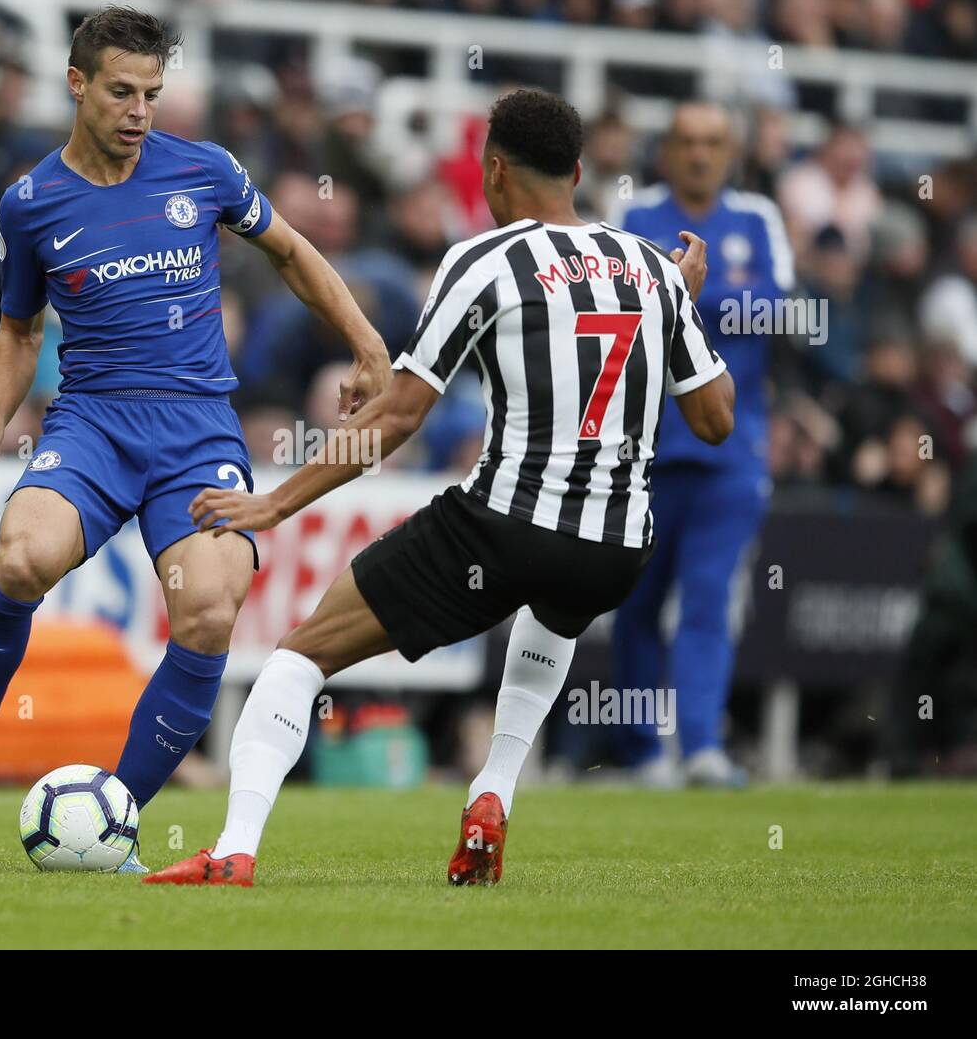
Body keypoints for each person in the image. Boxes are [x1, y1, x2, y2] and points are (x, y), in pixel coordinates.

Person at [143, 88, 734, 888]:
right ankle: (492, 791)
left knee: (300, 655)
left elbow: (400, 417)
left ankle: (235, 848)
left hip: (505, 523)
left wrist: (278, 500)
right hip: (616, 546)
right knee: (553, 618)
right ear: (581, 171)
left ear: (494, 172)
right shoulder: (654, 269)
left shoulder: (479, 260)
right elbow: (715, 420)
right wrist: (675, 311)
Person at [0, 7, 391, 874]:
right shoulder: (31, 203)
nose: (140, 110)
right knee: (21, 558)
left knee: (211, 608)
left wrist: (369, 345)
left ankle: (112, 815)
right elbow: (19, 330)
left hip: (196, 433)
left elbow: (295, 253)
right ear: (78, 85)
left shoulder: (207, 169)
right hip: (95, 423)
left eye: (152, 91)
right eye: (121, 91)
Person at [608, 102, 793, 786]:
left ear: (731, 149)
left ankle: (703, 745)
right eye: (687, 141)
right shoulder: (629, 218)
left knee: (710, 595)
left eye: (713, 142)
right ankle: (643, 754)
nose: (699, 154)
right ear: (667, 150)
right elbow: (618, 312)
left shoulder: (758, 218)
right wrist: (713, 298)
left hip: (731, 451)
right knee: (635, 604)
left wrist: (680, 293)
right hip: (644, 446)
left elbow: (781, 308)